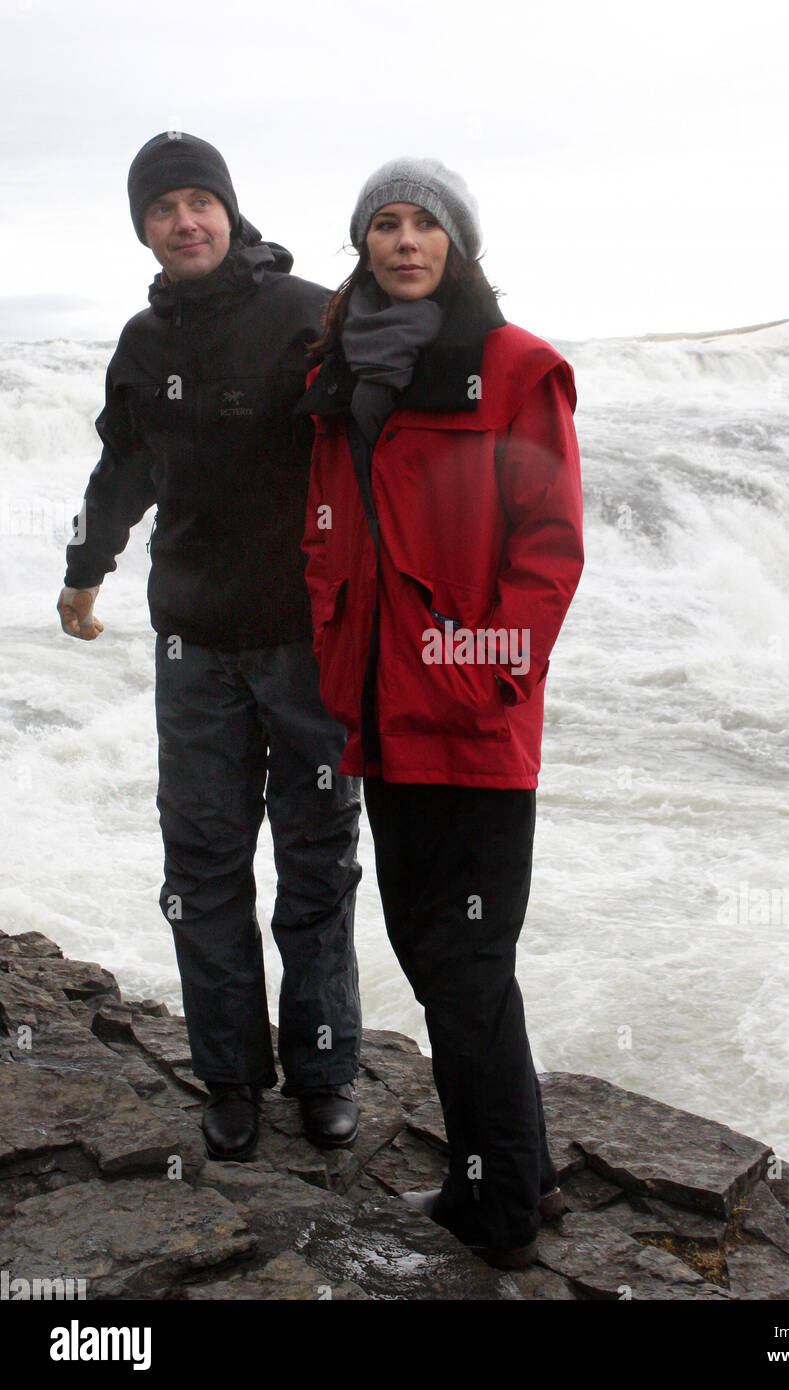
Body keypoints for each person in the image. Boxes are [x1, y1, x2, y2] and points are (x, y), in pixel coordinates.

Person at [299, 157, 584, 1267]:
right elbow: (331, 538)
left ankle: (500, 1212)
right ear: (362, 242)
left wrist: (479, 676)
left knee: (462, 967)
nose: (404, 242)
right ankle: (513, 1175)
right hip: (379, 720)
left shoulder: (516, 369)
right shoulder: (341, 378)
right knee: (440, 961)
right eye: (384, 223)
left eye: (425, 225)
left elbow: (548, 551)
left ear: (457, 245)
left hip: (469, 727)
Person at [57, 132, 362, 1162]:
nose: (183, 221)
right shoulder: (143, 344)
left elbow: (389, 436)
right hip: (192, 647)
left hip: (305, 645)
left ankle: (323, 1074)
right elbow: (122, 468)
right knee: (201, 865)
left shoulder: (308, 317)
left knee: (316, 865)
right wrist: (85, 567)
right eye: (161, 209)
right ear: (144, 227)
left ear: (229, 210)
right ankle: (232, 1077)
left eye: (199, 201)